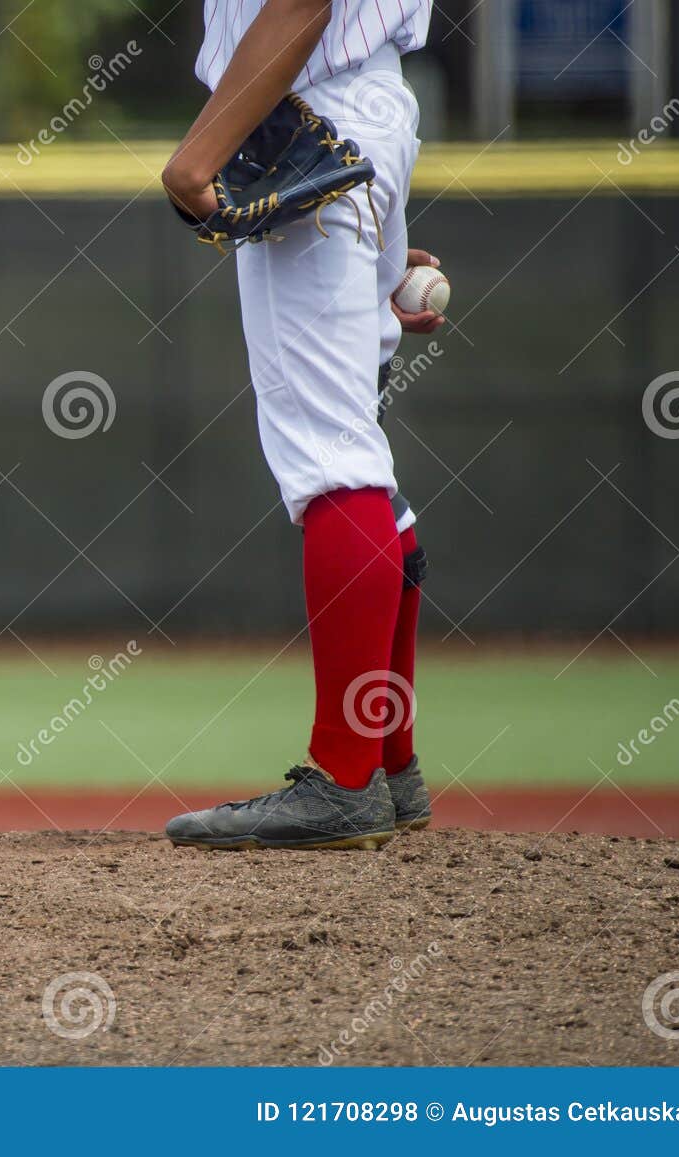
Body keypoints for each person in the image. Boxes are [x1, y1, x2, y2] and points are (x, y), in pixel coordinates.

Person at [161, 0, 444, 850]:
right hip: (367, 115)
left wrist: (196, 158)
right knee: (359, 458)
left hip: (311, 116)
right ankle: (389, 764)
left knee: (331, 458)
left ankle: (344, 778)